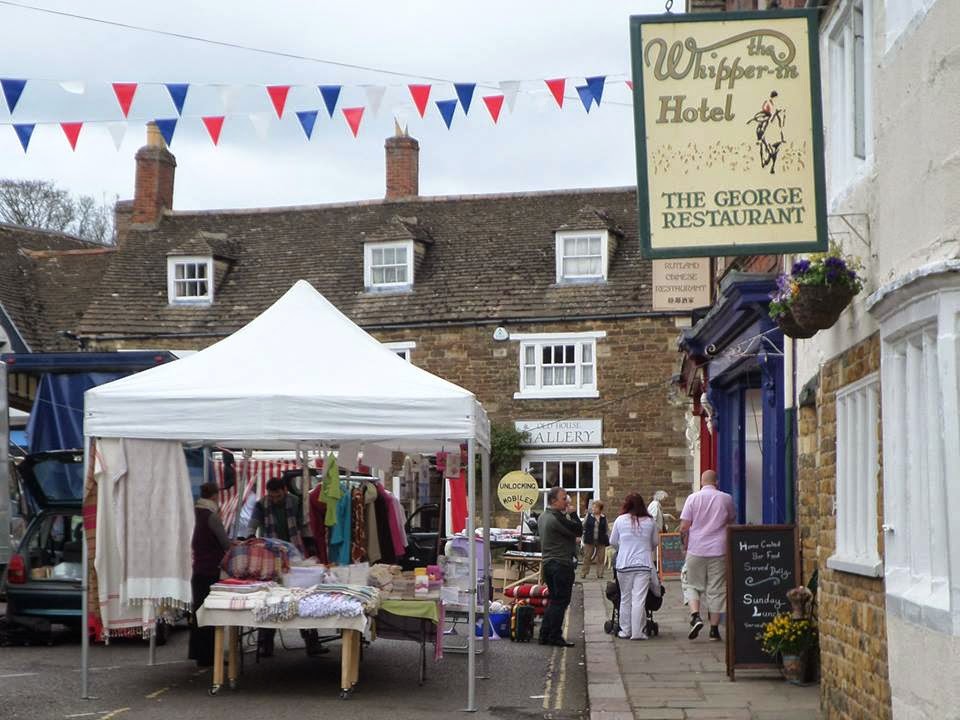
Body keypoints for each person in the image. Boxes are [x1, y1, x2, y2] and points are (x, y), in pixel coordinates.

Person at [247, 478, 322, 657]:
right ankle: (265, 644)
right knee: (269, 599)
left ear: (285, 490)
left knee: (301, 598)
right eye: (272, 496)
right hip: (271, 555)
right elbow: (253, 524)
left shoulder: (296, 502)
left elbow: (304, 526)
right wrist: (248, 537)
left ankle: (312, 642)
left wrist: (311, 547)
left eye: (278, 495)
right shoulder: (261, 504)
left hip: (295, 553)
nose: (275, 499)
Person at [679, 470, 736, 641]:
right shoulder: (726, 498)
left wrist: (684, 546)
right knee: (716, 588)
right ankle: (714, 630)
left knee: (691, 584)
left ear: (702, 482)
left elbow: (684, 526)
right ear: (716, 481)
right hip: (719, 549)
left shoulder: (692, 498)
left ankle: (696, 616)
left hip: (696, 549)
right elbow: (732, 520)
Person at [188, 482, 231, 666]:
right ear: (215, 496)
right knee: (211, 613)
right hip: (210, 569)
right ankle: (210, 655)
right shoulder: (211, 517)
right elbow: (225, 543)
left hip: (196, 569)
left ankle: (199, 654)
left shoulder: (193, 514)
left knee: (199, 612)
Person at [609, 493, 659, 640]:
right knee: (639, 599)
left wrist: (624, 547)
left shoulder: (620, 520)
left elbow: (613, 541)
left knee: (625, 598)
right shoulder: (650, 522)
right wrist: (644, 546)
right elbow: (655, 542)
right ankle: (638, 632)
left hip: (624, 564)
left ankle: (625, 631)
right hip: (643, 564)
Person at [537, 486, 582, 647]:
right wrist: (573, 513)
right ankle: (555, 636)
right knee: (560, 601)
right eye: (564, 498)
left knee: (554, 600)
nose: (567, 501)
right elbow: (578, 529)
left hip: (549, 564)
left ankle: (545, 634)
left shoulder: (543, 516)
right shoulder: (556, 518)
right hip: (561, 564)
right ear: (554, 501)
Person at [580, 500, 609, 580]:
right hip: (589, 539)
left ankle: (600, 574)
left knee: (601, 557)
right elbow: (583, 526)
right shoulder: (589, 516)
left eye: (595, 507)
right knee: (587, 557)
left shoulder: (603, 517)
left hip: (601, 539)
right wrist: (582, 535)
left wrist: (607, 536)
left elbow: (606, 528)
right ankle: (584, 573)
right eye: (593, 507)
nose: (593, 508)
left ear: (600, 509)